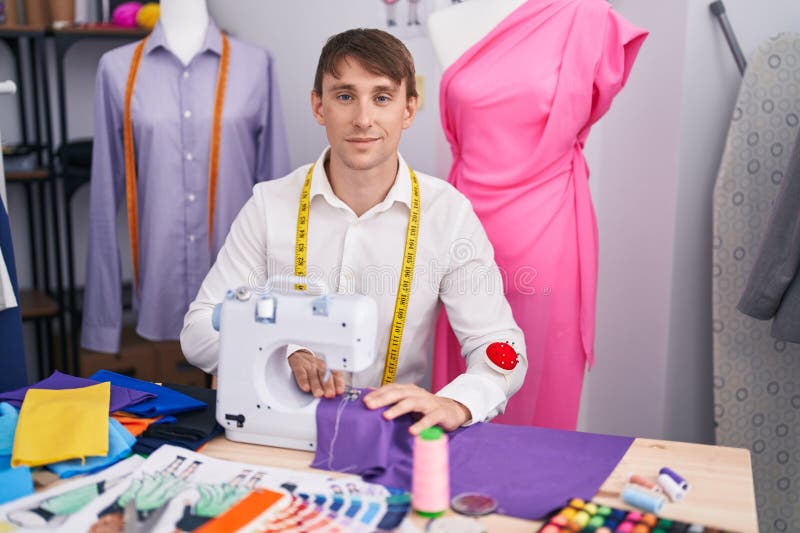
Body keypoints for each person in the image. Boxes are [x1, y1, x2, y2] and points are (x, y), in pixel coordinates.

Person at [181, 29, 526, 435]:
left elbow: (500, 344)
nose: (363, 118)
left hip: (387, 432)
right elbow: (198, 328)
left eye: (382, 97)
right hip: (276, 429)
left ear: (409, 109)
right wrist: (279, 354)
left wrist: (459, 402)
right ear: (319, 106)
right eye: (345, 96)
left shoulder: (447, 215)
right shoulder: (269, 206)